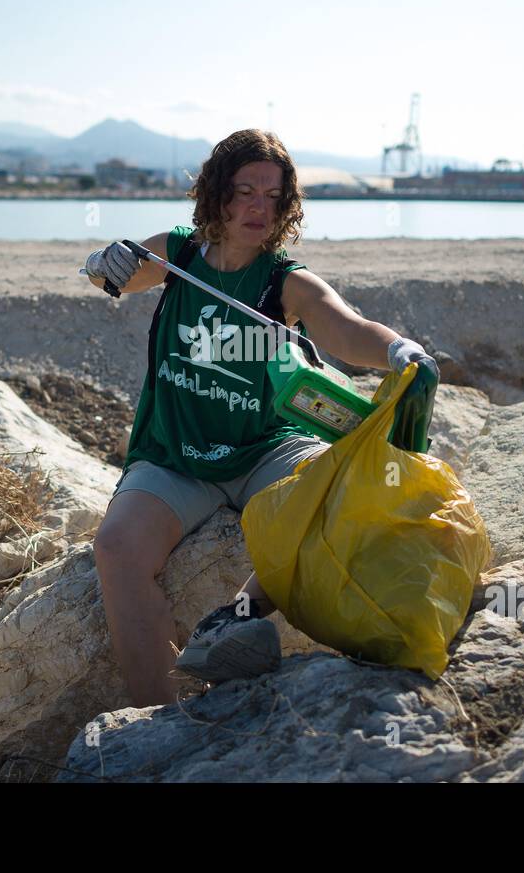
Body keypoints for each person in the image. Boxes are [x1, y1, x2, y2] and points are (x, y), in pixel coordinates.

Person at [83, 128, 438, 706]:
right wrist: (106, 260)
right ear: (216, 195)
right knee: (117, 550)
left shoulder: (284, 280)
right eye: (244, 190)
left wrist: (399, 349)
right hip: (175, 455)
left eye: (272, 196)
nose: (257, 207)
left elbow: (344, 329)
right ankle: (160, 720)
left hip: (269, 448)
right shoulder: (180, 254)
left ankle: (233, 620)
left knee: (333, 494)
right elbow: (114, 278)